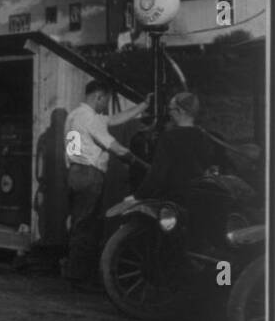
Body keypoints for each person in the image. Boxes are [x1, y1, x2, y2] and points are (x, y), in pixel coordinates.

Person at [63, 80, 151, 290]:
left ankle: (74, 273)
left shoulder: (73, 116)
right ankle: (80, 279)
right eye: (105, 100)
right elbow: (114, 146)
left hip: (74, 172)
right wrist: (139, 164)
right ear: (98, 97)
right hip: (90, 174)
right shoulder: (91, 119)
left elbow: (112, 120)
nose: (106, 106)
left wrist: (142, 106)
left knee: (78, 223)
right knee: (88, 226)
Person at [133, 93, 216, 202]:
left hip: (174, 200)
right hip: (199, 198)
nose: (169, 113)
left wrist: (138, 197)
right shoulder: (205, 136)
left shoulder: (169, 137)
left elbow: (157, 175)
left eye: (170, 109)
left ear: (180, 111)